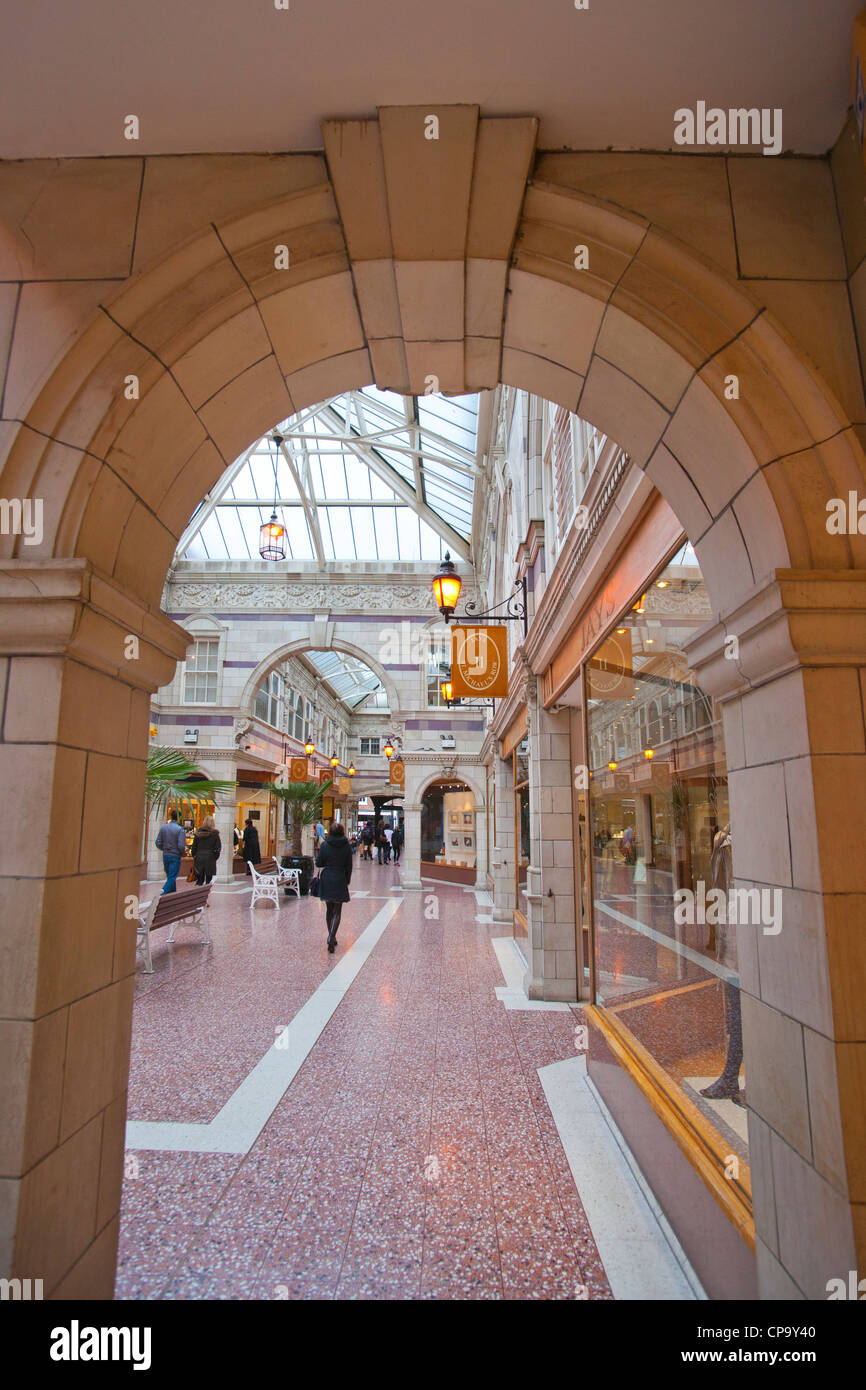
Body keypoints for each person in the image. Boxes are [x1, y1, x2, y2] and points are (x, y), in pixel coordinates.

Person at [315, 821, 352, 953]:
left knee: (329, 910)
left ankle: (332, 936)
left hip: (327, 878)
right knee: (337, 911)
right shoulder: (346, 846)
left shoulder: (325, 845)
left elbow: (319, 863)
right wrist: (347, 880)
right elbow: (349, 866)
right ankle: (332, 937)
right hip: (340, 877)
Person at [156, 809, 187, 894]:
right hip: (175, 856)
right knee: (172, 877)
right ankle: (163, 892)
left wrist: (165, 848)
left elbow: (158, 842)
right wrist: (183, 853)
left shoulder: (163, 827)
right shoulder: (180, 829)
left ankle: (172, 893)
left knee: (169, 875)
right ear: (179, 817)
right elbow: (181, 845)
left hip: (166, 855)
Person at [192, 814, 221, 885]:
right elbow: (217, 847)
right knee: (209, 879)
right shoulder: (215, 834)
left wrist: (194, 855)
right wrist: (215, 857)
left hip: (199, 857)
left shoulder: (198, 833)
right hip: (210, 857)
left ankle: (198, 893)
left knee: (199, 879)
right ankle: (206, 893)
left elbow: (194, 846)